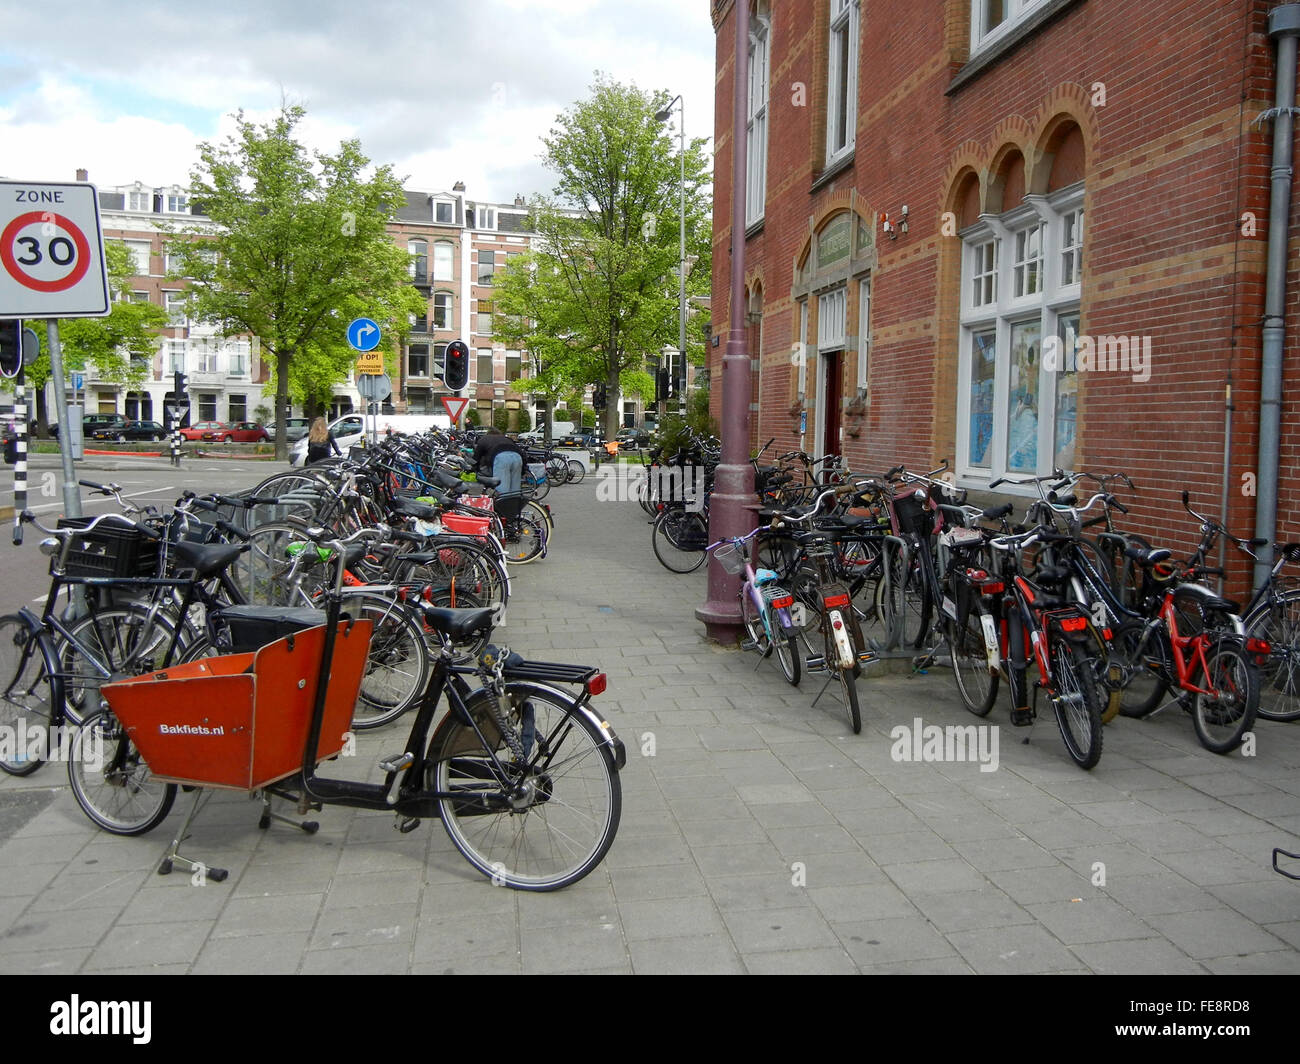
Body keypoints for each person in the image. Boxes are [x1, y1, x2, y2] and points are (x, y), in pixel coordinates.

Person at [471, 426, 526, 498]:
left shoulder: (484, 439)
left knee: (502, 491)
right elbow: (521, 452)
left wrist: (474, 468)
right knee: (515, 491)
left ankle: (503, 507)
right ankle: (514, 507)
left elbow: (476, 457)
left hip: (501, 458)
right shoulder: (507, 439)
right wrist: (523, 470)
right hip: (517, 457)